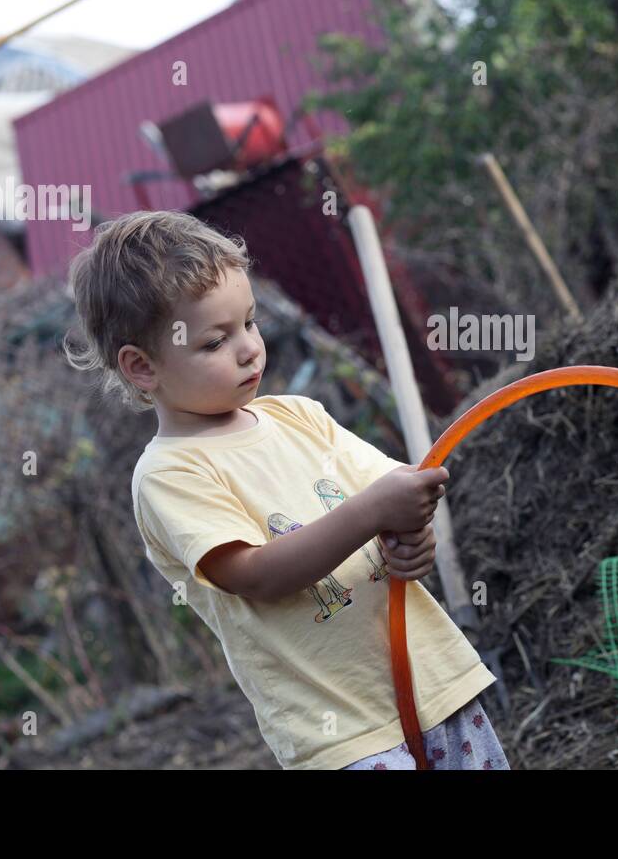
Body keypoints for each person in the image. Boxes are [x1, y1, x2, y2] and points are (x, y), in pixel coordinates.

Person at [63, 210, 508, 770]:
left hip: (434, 685)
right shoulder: (170, 475)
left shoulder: (301, 417)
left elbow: (394, 499)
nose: (248, 348)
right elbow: (257, 576)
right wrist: (373, 512)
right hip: (343, 733)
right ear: (142, 367)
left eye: (249, 323)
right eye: (214, 342)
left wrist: (411, 540)